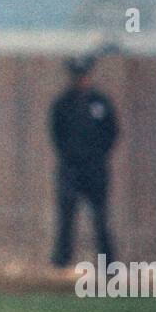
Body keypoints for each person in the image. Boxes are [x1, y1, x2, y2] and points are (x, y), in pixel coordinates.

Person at [49, 56, 119, 268]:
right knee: (67, 215)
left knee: (100, 217)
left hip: (95, 168)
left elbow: (112, 132)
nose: (81, 80)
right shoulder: (63, 103)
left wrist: (98, 154)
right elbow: (56, 133)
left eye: (84, 76)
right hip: (70, 168)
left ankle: (108, 263)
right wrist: (69, 154)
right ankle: (62, 262)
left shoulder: (101, 103)